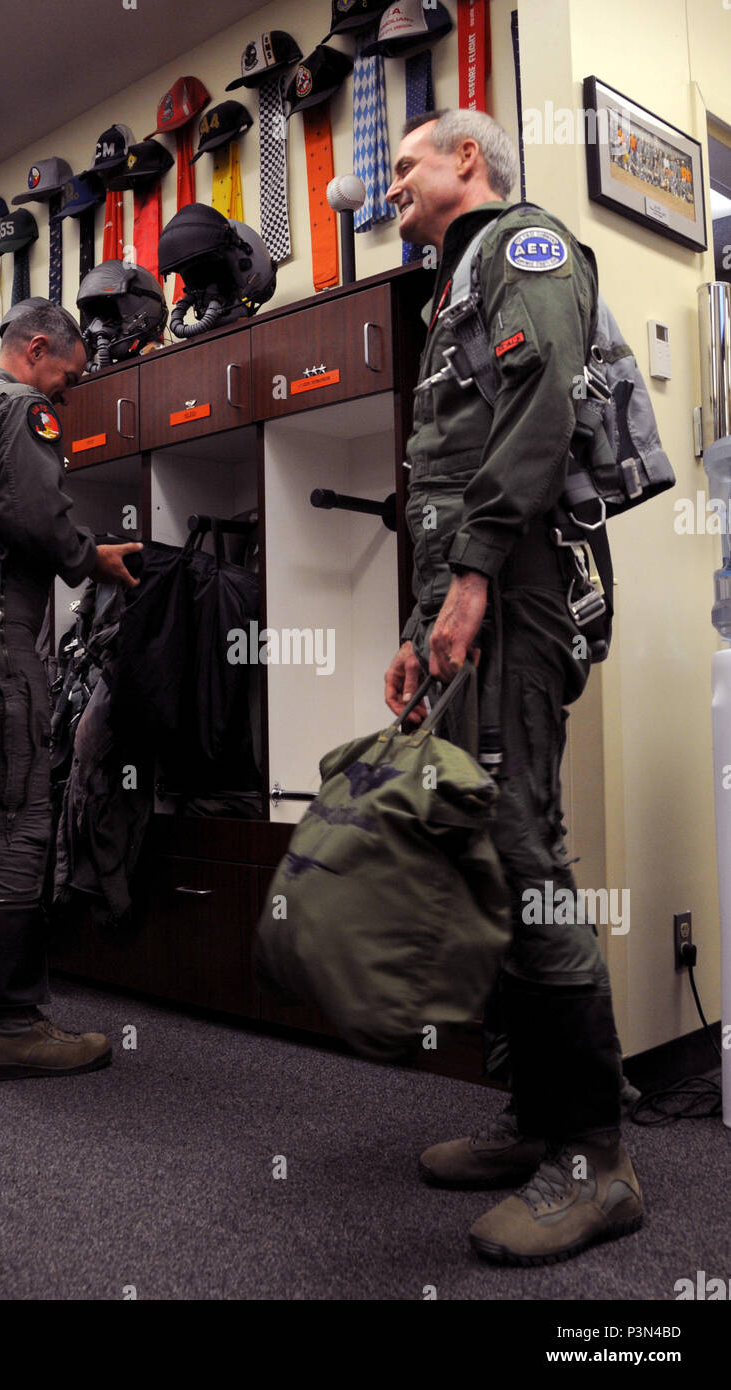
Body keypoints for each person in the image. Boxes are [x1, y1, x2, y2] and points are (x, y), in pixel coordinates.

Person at [384, 109, 644, 1264]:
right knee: (487, 851)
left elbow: (539, 417)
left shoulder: (527, 246)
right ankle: (538, 1119)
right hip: (473, 596)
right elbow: (449, 472)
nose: (389, 186)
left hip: (525, 590)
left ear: (469, 163)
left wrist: (479, 575)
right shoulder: (452, 290)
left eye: (404, 164)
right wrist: (419, 618)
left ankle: (596, 1159)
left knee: (527, 854)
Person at [0, 301, 140, 1080]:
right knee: (13, 817)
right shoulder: (19, 409)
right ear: (38, 348)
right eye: (69, 378)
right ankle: (11, 1022)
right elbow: (32, 515)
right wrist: (93, 558)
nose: (67, 396)